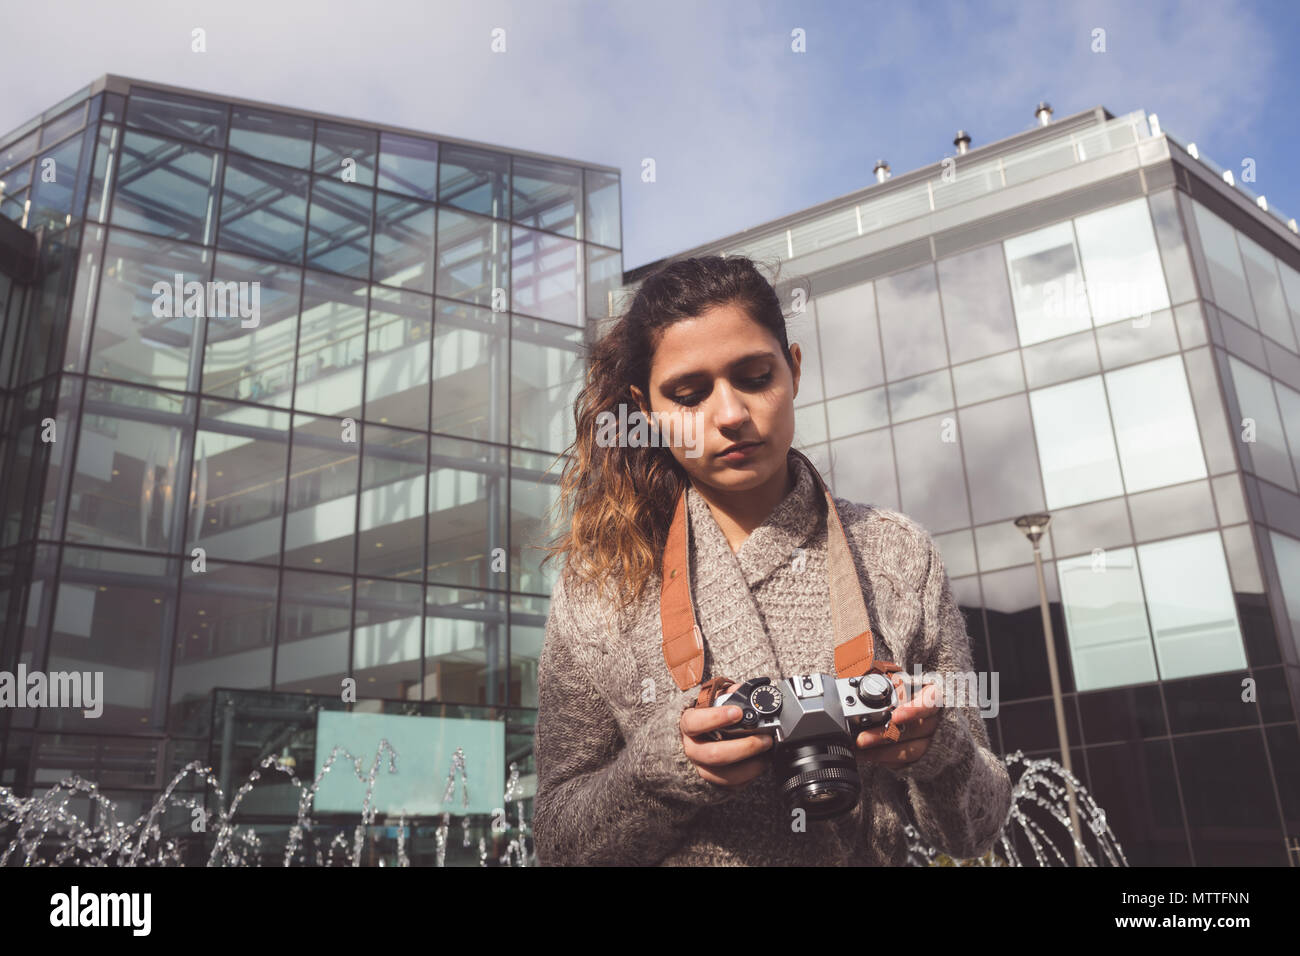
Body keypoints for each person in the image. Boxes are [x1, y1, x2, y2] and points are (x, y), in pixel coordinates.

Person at [532, 255, 1012, 866]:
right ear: (646, 411)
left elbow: (976, 830)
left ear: (795, 369)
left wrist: (935, 745)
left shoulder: (897, 554)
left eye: (755, 376)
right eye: (689, 394)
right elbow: (557, 844)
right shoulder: (601, 586)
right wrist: (661, 770)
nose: (730, 415)